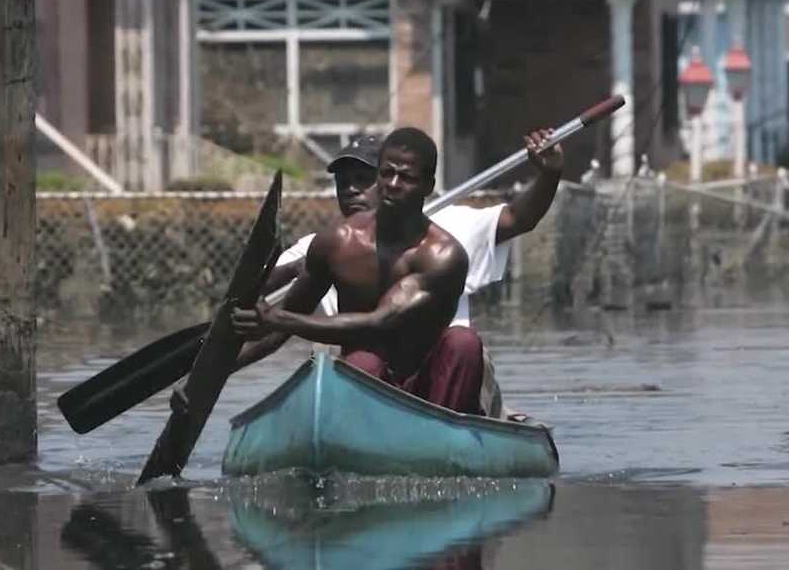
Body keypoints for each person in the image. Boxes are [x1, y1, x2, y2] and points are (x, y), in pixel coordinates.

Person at [237, 126, 564, 418]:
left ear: (425, 185)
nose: (353, 190)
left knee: (464, 343)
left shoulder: (447, 240)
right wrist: (221, 364)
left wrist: (548, 175)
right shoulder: (330, 242)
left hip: (443, 369)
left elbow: (519, 218)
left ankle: (453, 429)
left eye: (362, 180)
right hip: (362, 363)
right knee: (362, 360)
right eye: (344, 182)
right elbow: (267, 311)